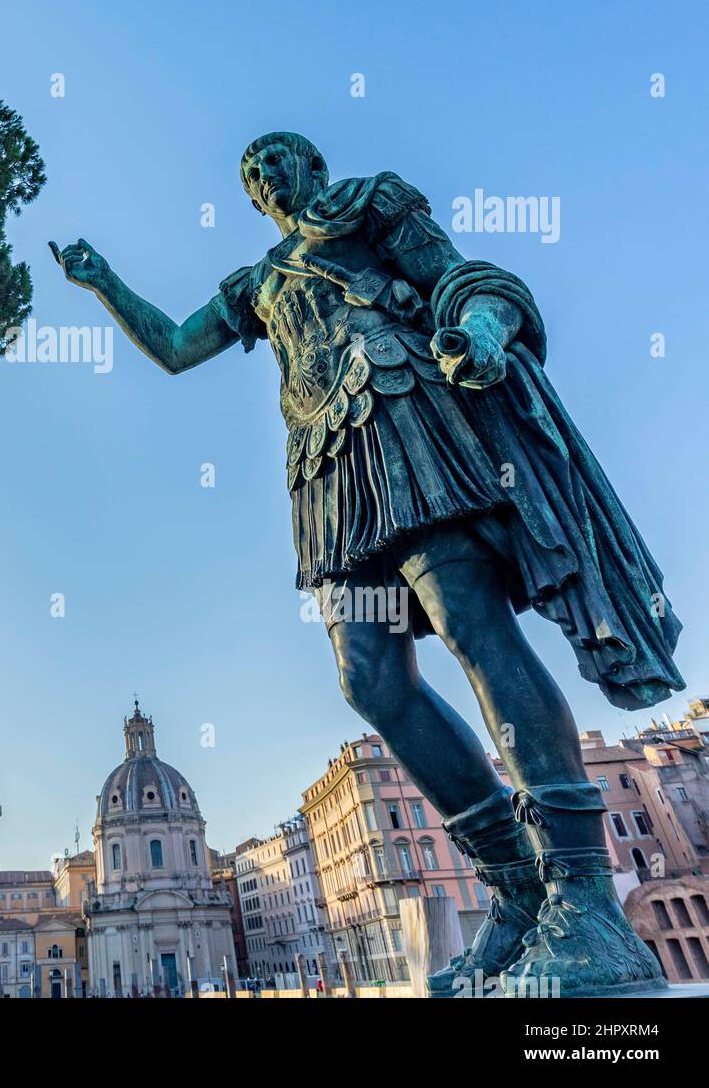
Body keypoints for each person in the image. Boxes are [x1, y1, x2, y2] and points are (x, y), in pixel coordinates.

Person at [52, 132, 682, 997]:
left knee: (470, 625)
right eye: (251, 174)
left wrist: (480, 336)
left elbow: (467, 281)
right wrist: (103, 283)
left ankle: (583, 892)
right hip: (326, 469)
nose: (265, 177)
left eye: (277, 160)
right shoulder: (260, 282)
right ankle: (517, 890)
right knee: (370, 682)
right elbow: (173, 346)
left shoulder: (369, 203)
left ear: (310, 168)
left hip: (408, 422)